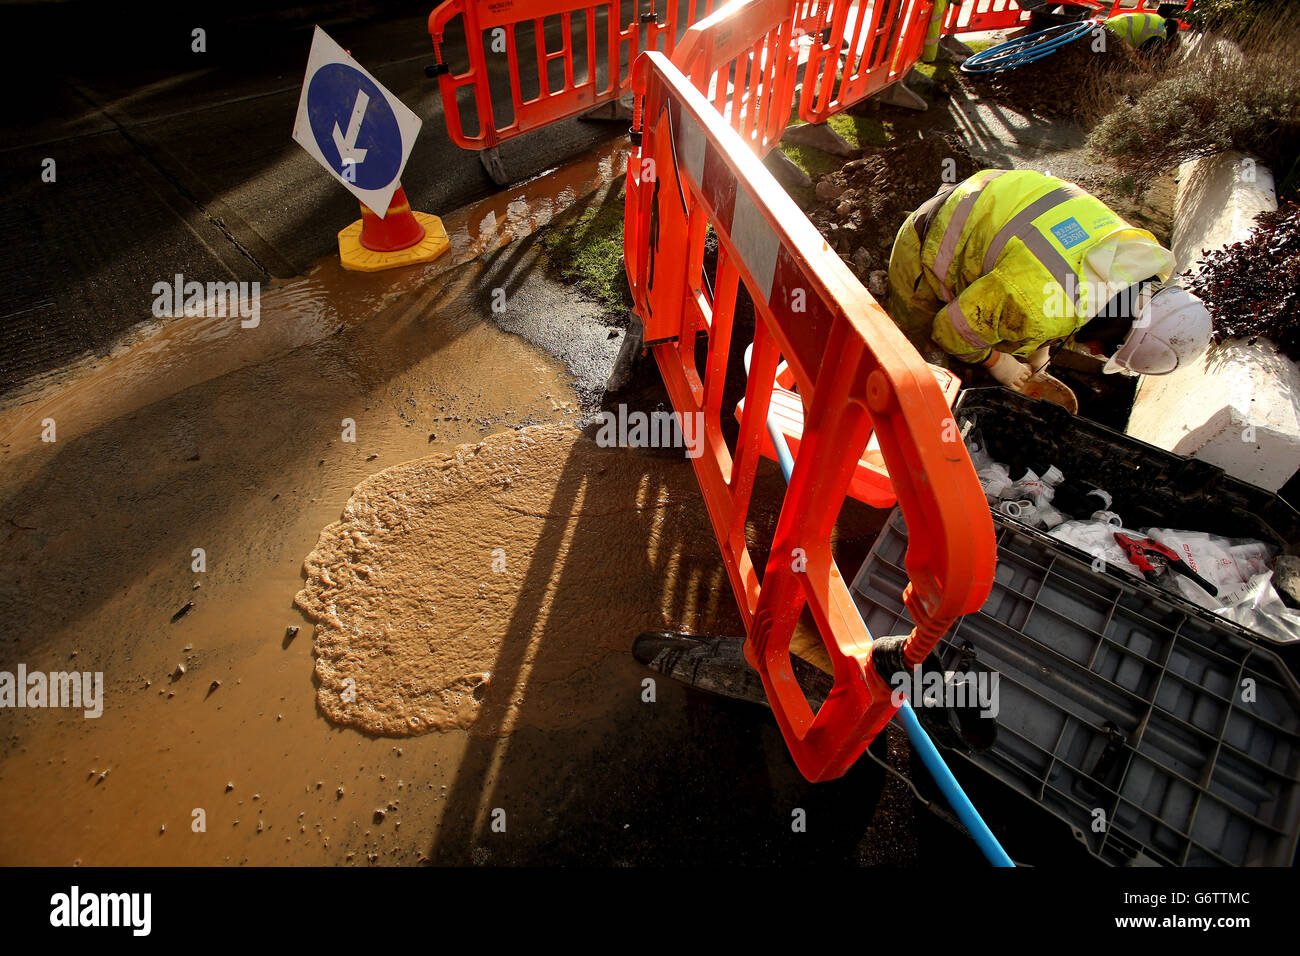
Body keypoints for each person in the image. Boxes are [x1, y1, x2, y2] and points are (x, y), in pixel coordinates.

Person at [886, 168, 1212, 394]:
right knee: (913, 356)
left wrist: (1039, 350)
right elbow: (948, 331)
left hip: (992, 200)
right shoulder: (1035, 306)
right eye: (1107, 349)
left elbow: (1063, 280)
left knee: (1006, 323)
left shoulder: (1132, 257)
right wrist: (997, 362)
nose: (1095, 350)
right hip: (929, 243)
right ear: (1116, 331)